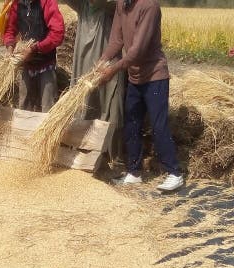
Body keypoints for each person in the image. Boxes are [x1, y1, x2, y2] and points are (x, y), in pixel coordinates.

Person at [96, 0, 184, 192]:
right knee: (132, 124)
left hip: (155, 76)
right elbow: (116, 40)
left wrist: (112, 70)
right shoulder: (122, 4)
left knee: (158, 125)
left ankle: (174, 174)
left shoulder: (149, 6)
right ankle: (134, 173)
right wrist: (102, 62)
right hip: (134, 77)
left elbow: (137, 50)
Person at [64, 0, 125, 165]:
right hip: (85, 60)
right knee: (85, 101)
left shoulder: (112, 7)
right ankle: (83, 146)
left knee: (109, 104)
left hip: (106, 61)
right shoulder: (82, 6)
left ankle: (109, 155)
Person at [4, 0, 65, 113]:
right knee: (24, 105)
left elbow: (57, 33)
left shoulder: (47, 2)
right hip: (26, 64)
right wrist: (10, 47)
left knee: (48, 106)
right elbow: (9, 30)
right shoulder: (16, 4)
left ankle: (47, 130)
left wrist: (36, 48)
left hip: (46, 63)